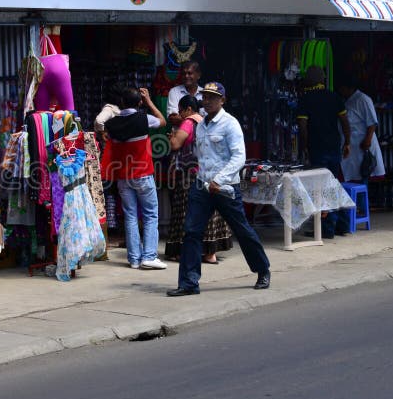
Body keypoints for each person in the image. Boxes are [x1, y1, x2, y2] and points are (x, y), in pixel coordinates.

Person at [167, 82, 271, 296]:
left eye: (212, 97)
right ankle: (188, 283)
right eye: (205, 97)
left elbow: (239, 156)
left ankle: (262, 270)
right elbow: (201, 154)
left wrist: (220, 179)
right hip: (202, 186)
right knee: (192, 232)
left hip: (225, 188)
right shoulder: (202, 124)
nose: (207, 100)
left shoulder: (230, 124)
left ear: (222, 100)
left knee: (242, 230)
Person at [104, 86, 167, 270]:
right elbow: (162, 121)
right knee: (150, 214)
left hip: (123, 177)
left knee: (130, 216)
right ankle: (149, 256)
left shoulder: (113, 123)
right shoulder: (143, 118)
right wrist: (149, 102)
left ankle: (134, 259)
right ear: (139, 102)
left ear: (121, 103)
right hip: (143, 174)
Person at [165, 95, 232, 264]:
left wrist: (171, 137)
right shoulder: (205, 122)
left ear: (188, 109)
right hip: (208, 172)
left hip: (190, 174)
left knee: (185, 211)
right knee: (209, 211)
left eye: (180, 110)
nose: (179, 114)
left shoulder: (188, 122)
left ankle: (180, 251)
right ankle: (210, 253)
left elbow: (175, 145)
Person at [296, 66, 351, 239]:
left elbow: (303, 128)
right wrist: (347, 143)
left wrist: (304, 147)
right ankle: (341, 225)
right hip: (334, 147)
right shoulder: (334, 97)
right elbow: (345, 122)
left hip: (317, 149)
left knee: (319, 189)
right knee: (332, 185)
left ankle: (327, 228)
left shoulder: (305, 99)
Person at [337, 77, 385, 184]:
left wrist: (367, 140)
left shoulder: (363, 99)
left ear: (347, 88)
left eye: (342, 89)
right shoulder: (348, 101)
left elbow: (372, 122)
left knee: (362, 176)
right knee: (353, 177)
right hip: (352, 148)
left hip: (362, 146)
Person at [166, 60, 203, 127]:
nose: (186, 76)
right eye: (183, 73)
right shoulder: (174, 92)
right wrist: (198, 118)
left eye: (190, 73)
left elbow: (210, 119)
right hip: (181, 136)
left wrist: (182, 117)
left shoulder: (205, 94)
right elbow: (173, 118)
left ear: (198, 75)